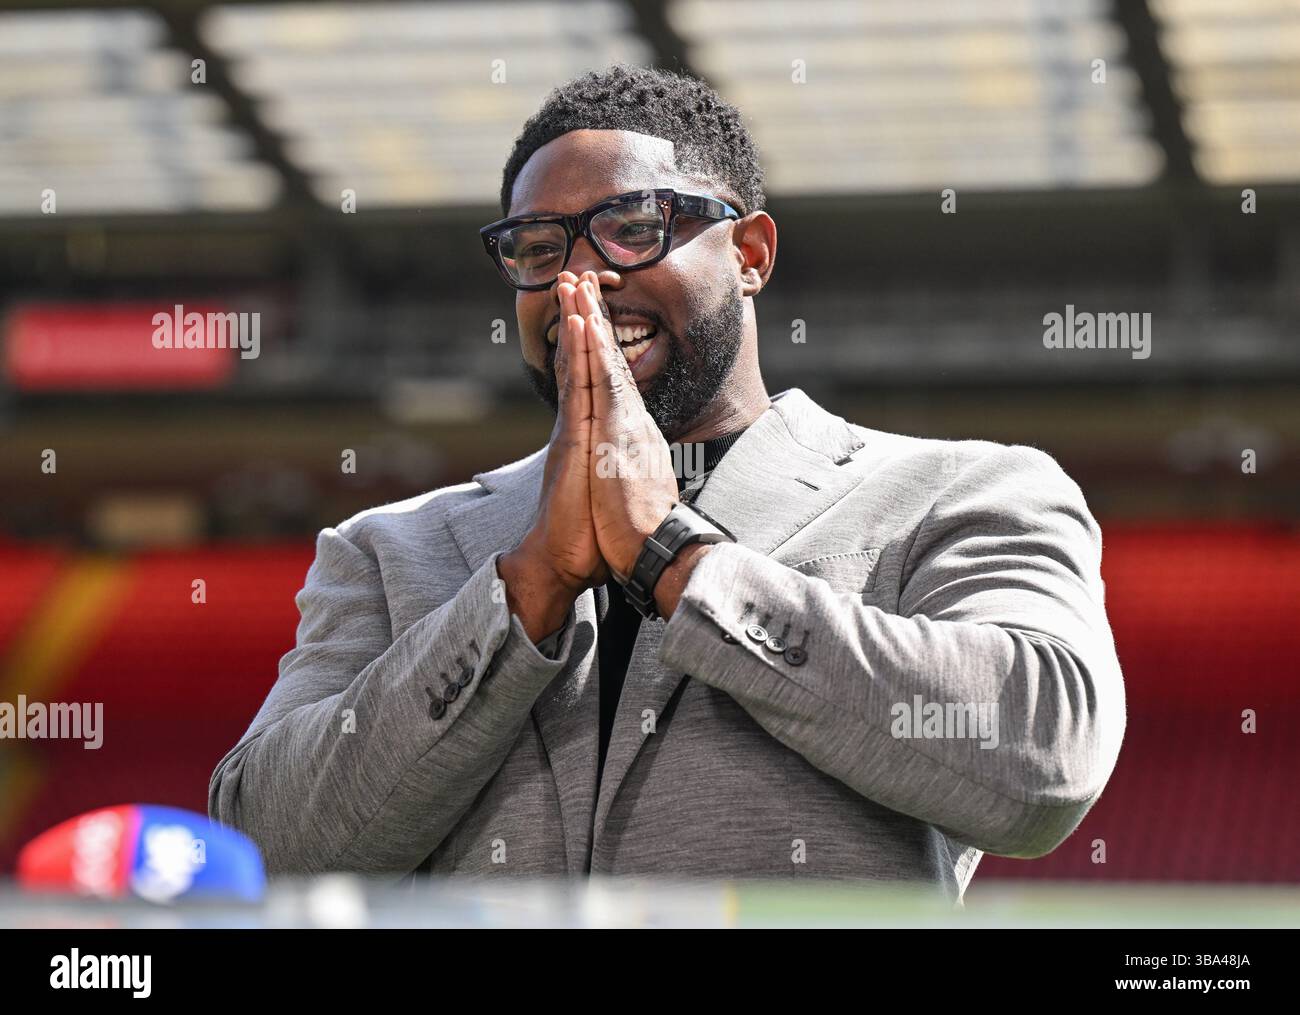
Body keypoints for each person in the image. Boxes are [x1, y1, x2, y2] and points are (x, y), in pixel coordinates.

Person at [209, 65, 1126, 904]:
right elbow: (266, 844)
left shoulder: (960, 492)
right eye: (537, 247)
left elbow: (1042, 756)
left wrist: (677, 558)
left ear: (751, 253)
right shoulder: (387, 548)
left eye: (634, 228)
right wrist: (523, 591)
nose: (583, 276)